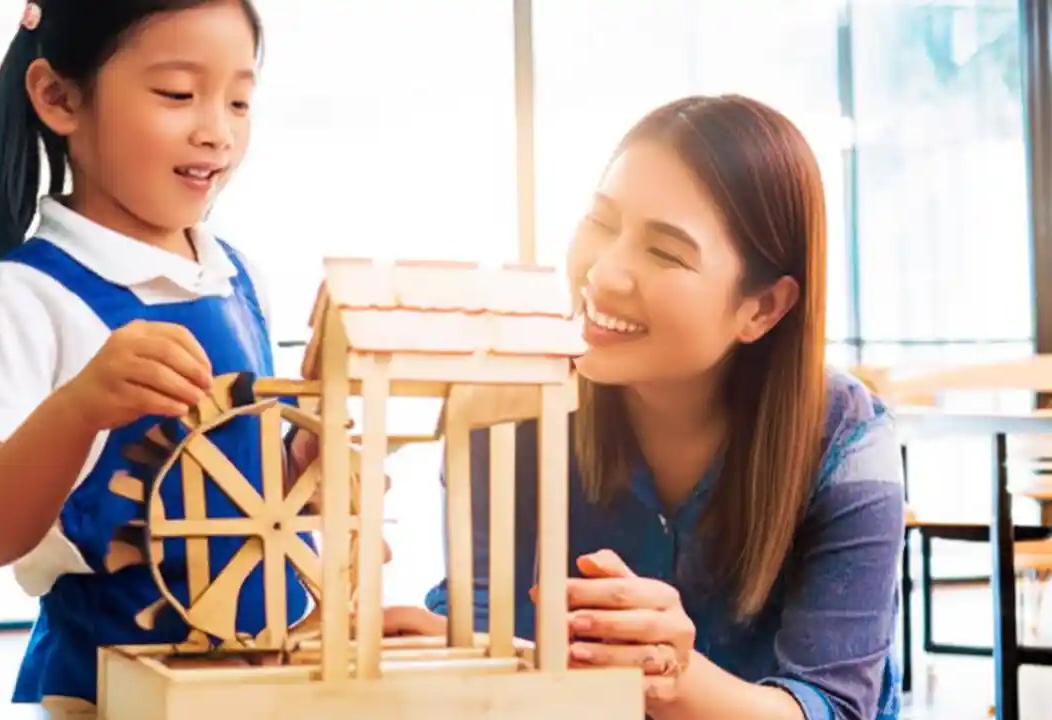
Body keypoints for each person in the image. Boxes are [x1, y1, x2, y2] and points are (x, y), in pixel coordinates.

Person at [384, 95, 905, 720]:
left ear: (762, 307)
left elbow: (835, 707)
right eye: (601, 222)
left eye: (664, 251)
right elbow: (493, 636)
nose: (602, 273)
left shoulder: (846, 443)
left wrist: (676, 680)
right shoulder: (505, 412)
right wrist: (450, 648)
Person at [0, 0, 316, 711]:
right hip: (108, 686)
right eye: (178, 94)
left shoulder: (238, 277)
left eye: (239, 99)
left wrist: (301, 469)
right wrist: (80, 408)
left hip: (264, 670)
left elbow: (239, 475)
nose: (217, 132)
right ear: (58, 97)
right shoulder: (22, 296)